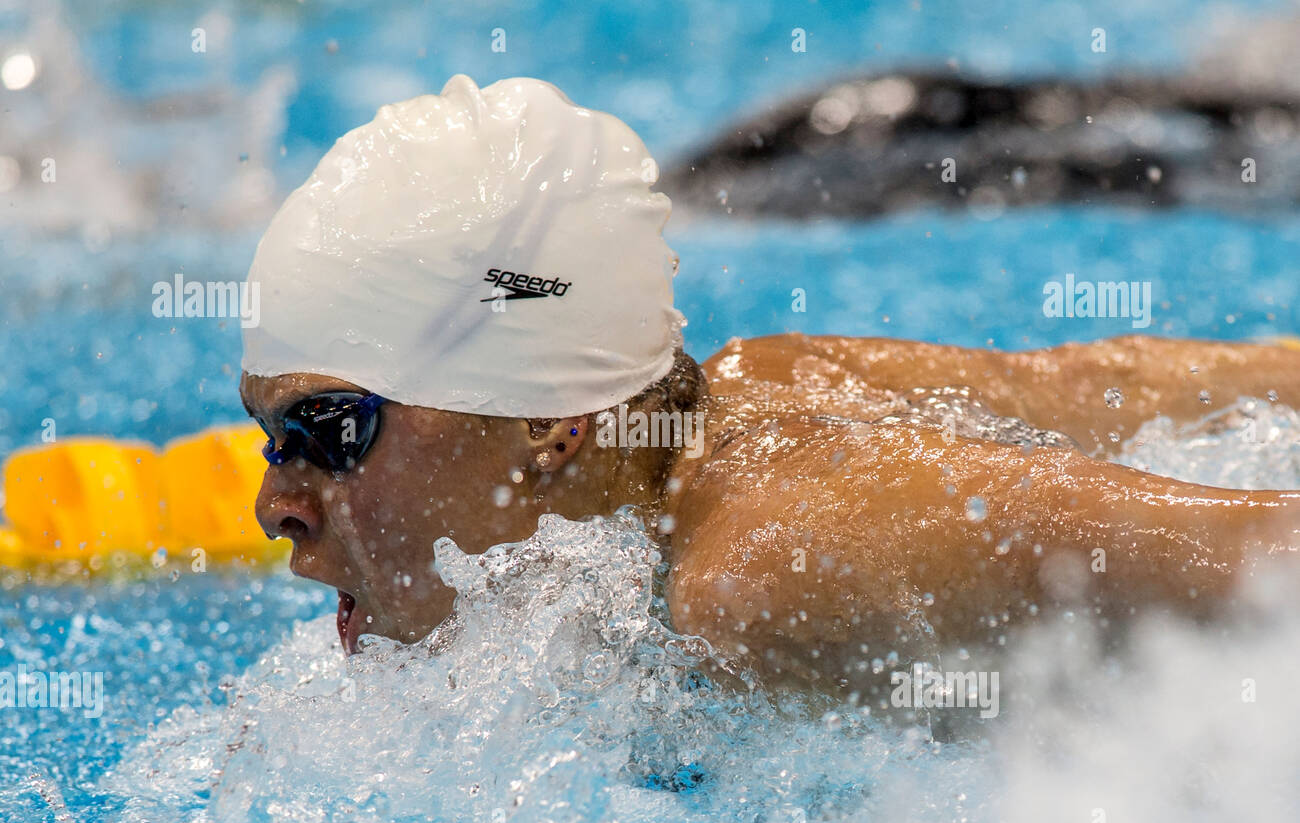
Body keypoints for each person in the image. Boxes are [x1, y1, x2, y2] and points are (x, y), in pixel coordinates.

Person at [240, 75, 1300, 694]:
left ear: (554, 423)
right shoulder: (763, 383)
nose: (276, 502)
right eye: (269, 436)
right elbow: (1152, 381)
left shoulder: (764, 571)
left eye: (328, 429)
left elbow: (1259, 560)